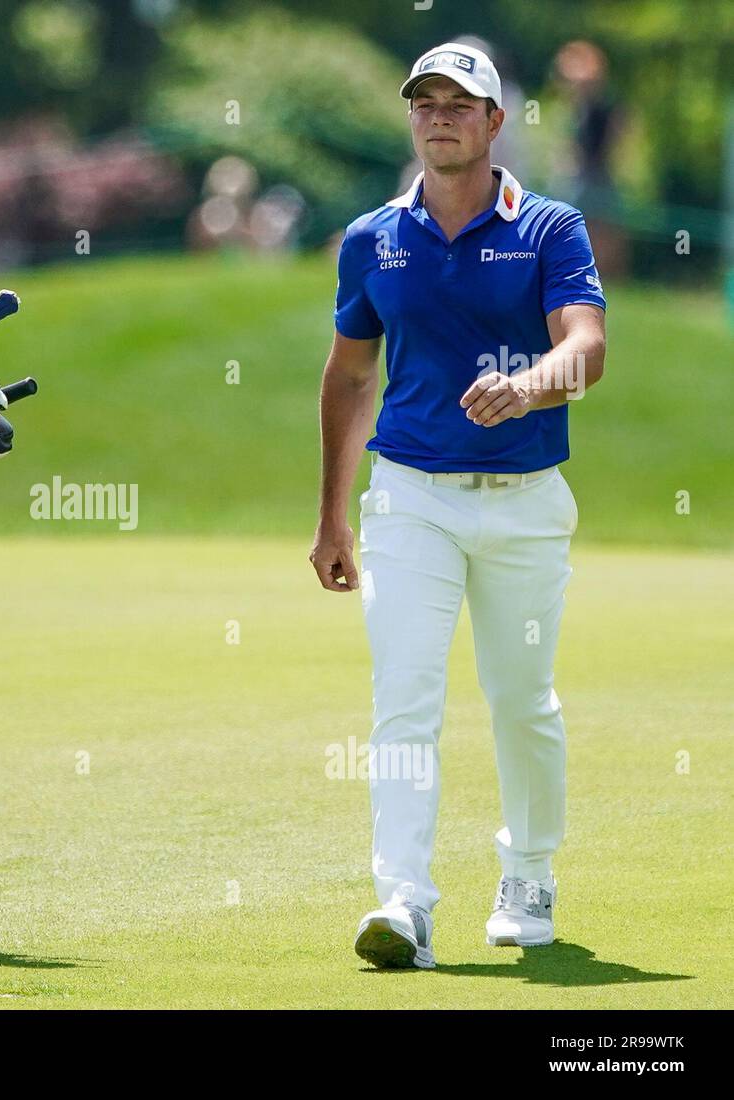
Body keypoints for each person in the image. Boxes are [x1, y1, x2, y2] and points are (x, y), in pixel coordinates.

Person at [308, 42, 607, 968]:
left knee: (522, 703)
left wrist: (529, 386)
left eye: (459, 102)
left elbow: (587, 348)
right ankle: (403, 899)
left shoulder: (551, 227)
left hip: (524, 502)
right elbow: (350, 377)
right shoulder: (373, 238)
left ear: (494, 122)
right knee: (403, 700)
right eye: (424, 101)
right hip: (411, 500)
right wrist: (333, 514)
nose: (439, 115)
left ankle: (528, 875)